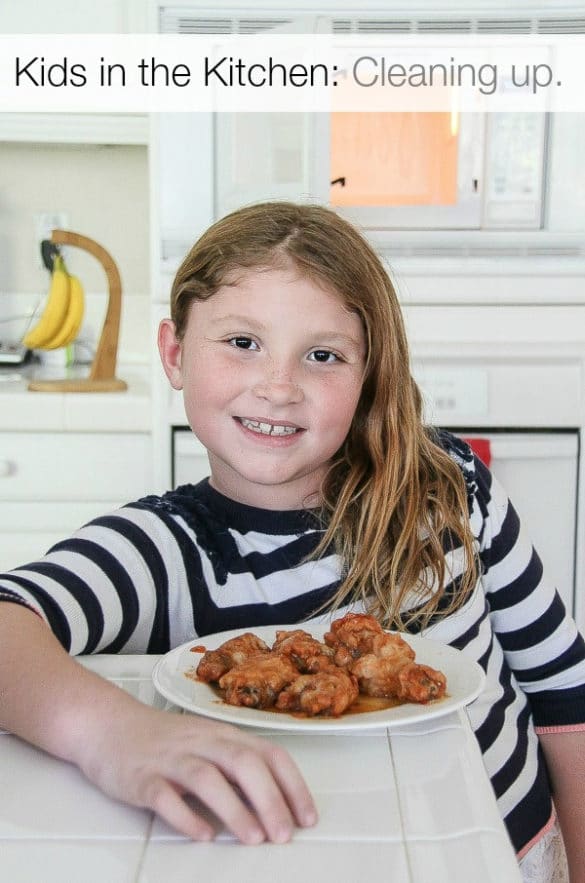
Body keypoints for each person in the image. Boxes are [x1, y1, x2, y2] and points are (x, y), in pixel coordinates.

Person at [0, 202, 583, 881]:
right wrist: (116, 735)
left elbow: (565, 697)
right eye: (242, 342)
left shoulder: (447, 485)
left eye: (322, 355)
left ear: (367, 375)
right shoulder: (168, 552)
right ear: (174, 353)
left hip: (518, 857)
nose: (278, 388)